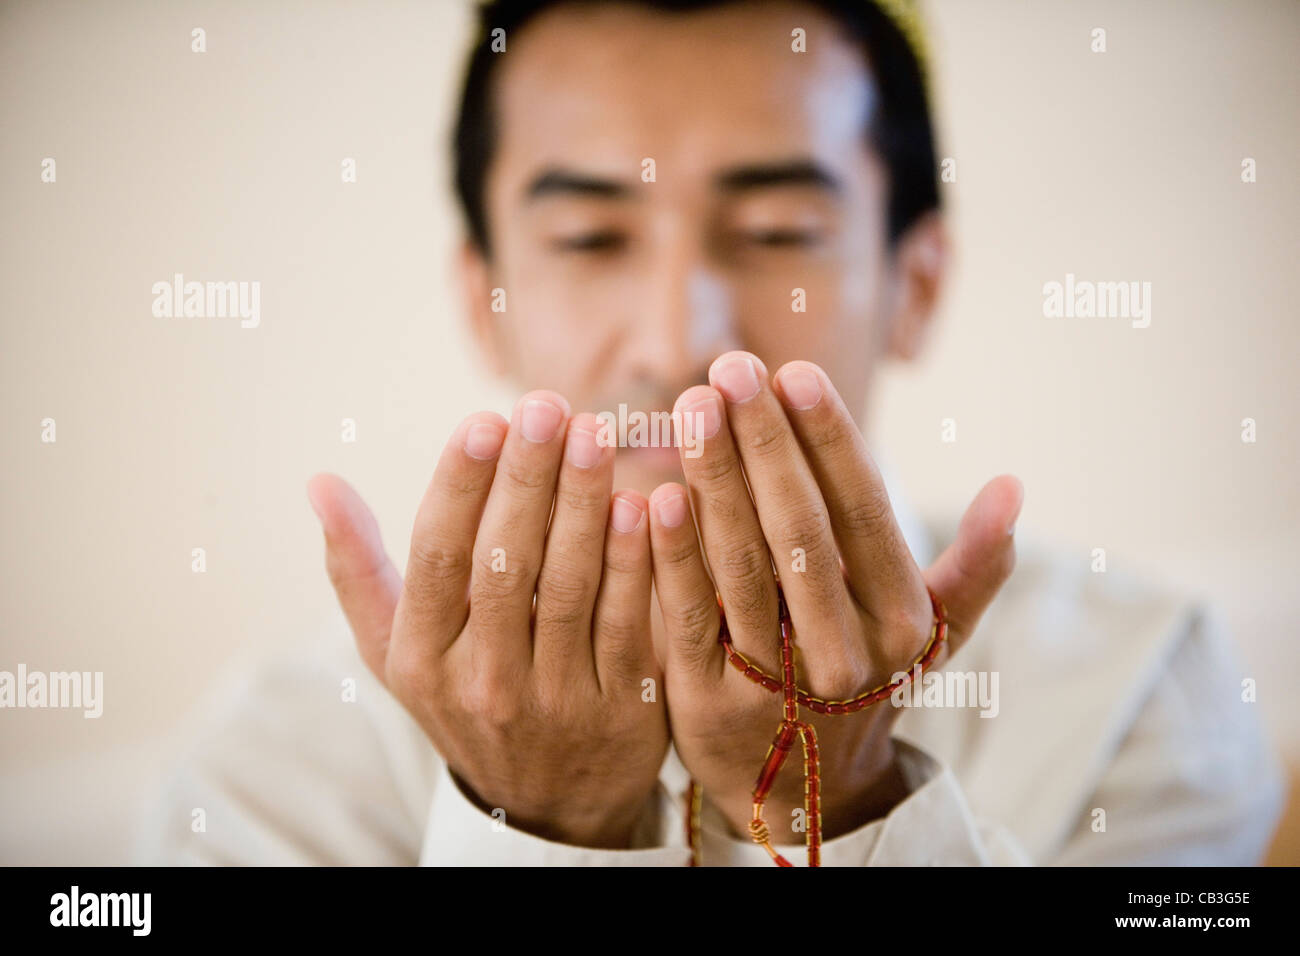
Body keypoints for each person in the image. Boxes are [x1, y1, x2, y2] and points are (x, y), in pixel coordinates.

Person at [135, 0, 1284, 866]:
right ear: (484, 293)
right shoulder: (271, 774)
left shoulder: (1138, 690)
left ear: (915, 284)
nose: (677, 336)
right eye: (589, 238)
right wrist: (546, 827)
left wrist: (836, 811)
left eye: (779, 228)